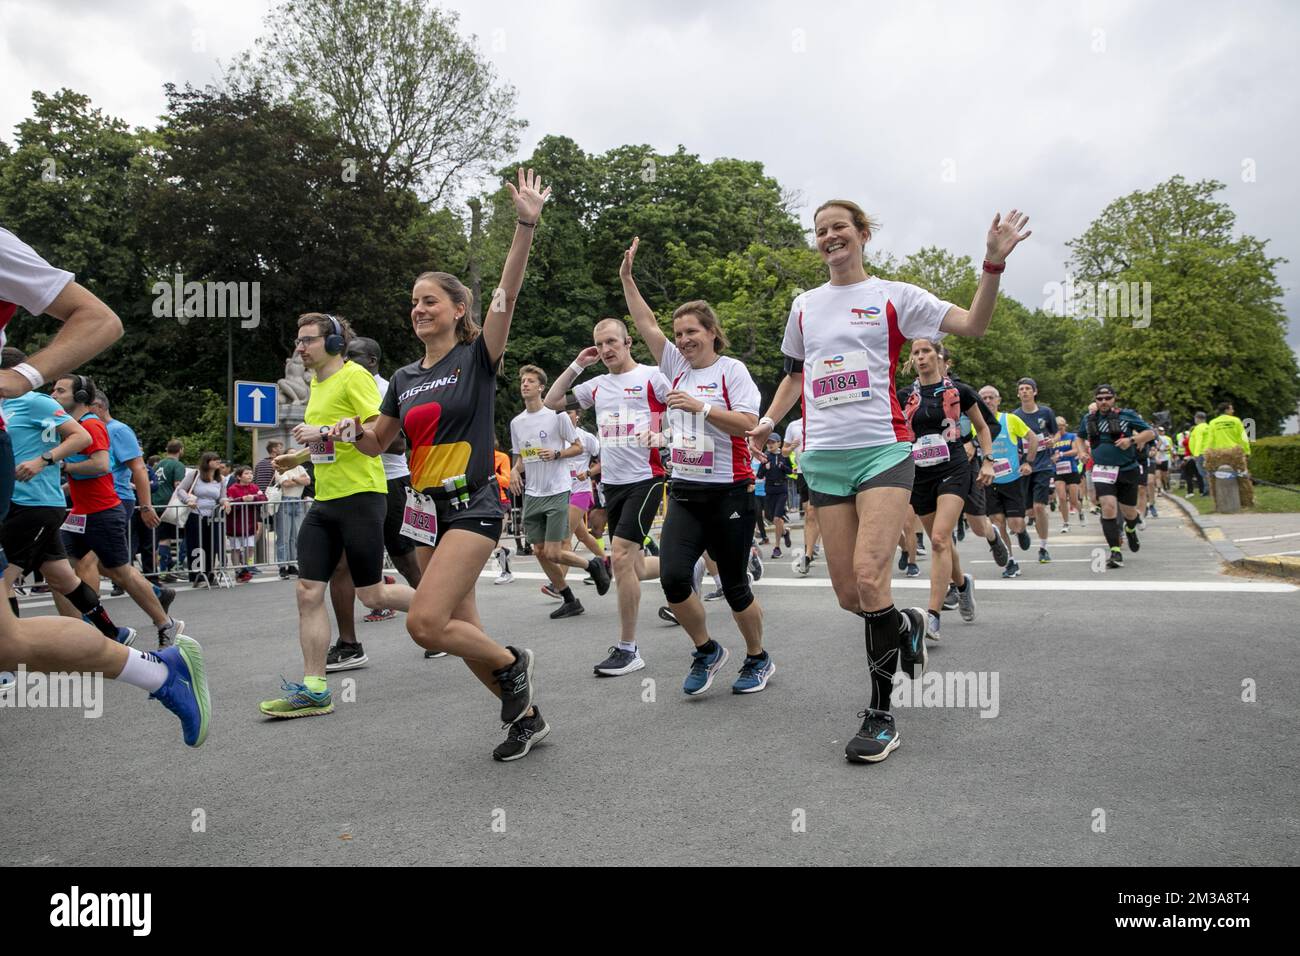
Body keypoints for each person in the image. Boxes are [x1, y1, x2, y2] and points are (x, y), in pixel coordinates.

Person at [746, 199, 1031, 763]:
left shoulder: (895, 296)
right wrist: (768, 421)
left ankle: (881, 713)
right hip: (824, 459)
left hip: (882, 451)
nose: (830, 237)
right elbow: (796, 377)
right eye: (821, 231)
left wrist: (992, 265)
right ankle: (907, 623)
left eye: (840, 229)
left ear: (862, 235)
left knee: (871, 579)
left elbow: (974, 324)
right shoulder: (803, 306)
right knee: (851, 595)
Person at [347, 168, 550, 760]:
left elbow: (506, 295)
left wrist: (525, 224)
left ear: (460, 309)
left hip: (475, 504)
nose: (418, 309)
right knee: (463, 634)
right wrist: (343, 434)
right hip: (424, 512)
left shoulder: (477, 356)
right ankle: (527, 718)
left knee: (425, 625)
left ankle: (516, 663)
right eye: (413, 303)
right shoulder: (404, 379)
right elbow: (377, 443)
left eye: (429, 300)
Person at [0, 224, 209, 748]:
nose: (62, 390)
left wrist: (23, 378)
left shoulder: (85, 421)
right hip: (64, 509)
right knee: (17, 632)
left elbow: (127, 463)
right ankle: (157, 667)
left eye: (66, 387)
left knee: (107, 570)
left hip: (87, 508)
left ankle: (158, 631)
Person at [621, 237, 773, 695]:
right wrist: (628, 278)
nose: (683, 339)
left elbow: (748, 424)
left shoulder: (732, 371)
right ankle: (707, 649)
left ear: (711, 332)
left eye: (692, 332)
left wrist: (701, 408)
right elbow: (645, 323)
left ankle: (757, 658)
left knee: (733, 586)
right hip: (685, 491)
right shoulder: (674, 366)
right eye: (679, 332)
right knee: (672, 578)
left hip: (730, 493)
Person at [258, 313, 416, 714]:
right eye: (298, 340)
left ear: (332, 344)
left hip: (362, 497)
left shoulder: (354, 377)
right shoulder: (317, 383)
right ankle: (315, 688)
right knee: (308, 590)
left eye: (307, 340)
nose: (299, 347)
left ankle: (447, 609)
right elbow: (325, 443)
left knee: (372, 594)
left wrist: (324, 432)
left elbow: (380, 433)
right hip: (325, 501)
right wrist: (295, 456)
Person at [544, 303, 672, 678]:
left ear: (628, 341)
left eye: (611, 342)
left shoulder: (653, 377)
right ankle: (688, 566)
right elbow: (552, 403)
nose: (606, 349)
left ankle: (628, 648)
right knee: (630, 564)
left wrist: (664, 435)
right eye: (599, 345)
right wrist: (577, 364)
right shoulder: (595, 385)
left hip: (645, 479)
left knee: (618, 557)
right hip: (612, 484)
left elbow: (686, 412)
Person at [1, 348, 135, 645]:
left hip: (33, 503)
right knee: (63, 578)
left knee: (3, 580)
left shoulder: (35, 401)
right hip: (21, 503)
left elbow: (82, 437)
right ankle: (114, 633)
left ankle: (6, 660)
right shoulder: (6, 405)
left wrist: (43, 460)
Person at [53, 375, 184, 648]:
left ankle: (166, 623)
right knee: (61, 571)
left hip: (103, 510)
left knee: (119, 570)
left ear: (81, 398)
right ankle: (83, 633)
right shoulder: (72, 428)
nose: (53, 394)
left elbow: (102, 466)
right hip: (80, 513)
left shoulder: (94, 426)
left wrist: (62, 467)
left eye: (60, 390)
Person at [899, 339, 993, 641]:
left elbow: (983, 426)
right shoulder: (904, 396)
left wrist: (987, 460)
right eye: (915, 353)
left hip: (953, 467)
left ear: (939, 356)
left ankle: (933, 616)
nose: (920, 357)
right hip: (919, 473)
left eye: (926, 351)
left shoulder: (960, 391)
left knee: (940, 538)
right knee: (939, 541)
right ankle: (963, 585)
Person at [510, 364, 610, 619]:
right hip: (533, 494)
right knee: (539, 551)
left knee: (555, 551)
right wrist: (513, 471)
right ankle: (569, 599)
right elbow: (520, 457)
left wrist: (557, 454)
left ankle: (594, 564)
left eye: (531, 381)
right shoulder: (517, 423)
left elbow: (577, 447)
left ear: (542, 387)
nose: (525, 384)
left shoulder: (557, 416)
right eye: (523, 380)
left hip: (558, 491)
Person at [90, 390, 166, 594]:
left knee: (92, 558)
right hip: (93, 500)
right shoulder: (91, 430)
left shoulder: (118, 430)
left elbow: (139, 469)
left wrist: (146, 507)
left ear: (99, 407)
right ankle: (155, 593)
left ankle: (91, 612)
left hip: (115, 499)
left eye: (88, 407)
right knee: (81, 558)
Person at [1077, 385, 1154, 568]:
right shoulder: (1088, 419)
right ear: (1095, 400)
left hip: (1127, 469)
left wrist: (1132, 440)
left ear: (1114, 399)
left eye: (1107, 398)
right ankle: (1115, 551)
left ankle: (1130, 528)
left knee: (1129, 511)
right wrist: (1081, 452)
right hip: (1102, 469)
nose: (1104, 402)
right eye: (1100, 398)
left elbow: (1150, 433)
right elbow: (1079, 437)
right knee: (1108, 507)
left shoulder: (1126, 416)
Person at [978, 385, 1038, 578]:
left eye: (991, 397)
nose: (987, 401)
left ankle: (1021, 531)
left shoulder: (1010, 419)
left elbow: (1033, 438)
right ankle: (1011, 561)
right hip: (989, 481)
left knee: (1016, 523)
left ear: (998, 400)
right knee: (997, 521)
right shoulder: (975, 423)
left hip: (1012, 480)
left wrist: (1028, 462)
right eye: (984, 398)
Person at [1010, 377, 1057, 563]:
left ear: (1035, 392)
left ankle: (1043, 547)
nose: (1025, 391)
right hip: (1023, 466)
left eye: (1028, 388)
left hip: (1043, 464)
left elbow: (1055, 432)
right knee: (1028, 512)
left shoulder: (1046, 412)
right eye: (1021, 389)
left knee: (1039, 507)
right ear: (1018, 393)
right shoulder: (1014, 416)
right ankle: (1022, 532)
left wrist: (1054, 440)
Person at [1193, 402, 1254, 508]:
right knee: (1242, 478)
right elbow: (1243, 437)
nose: (1233, 411)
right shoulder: (1236, 421)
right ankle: (1245, 502)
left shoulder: (1213, 423)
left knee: (1216, 479)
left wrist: (1207, 453)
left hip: (1218, 454)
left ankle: (1220, 503)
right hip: (1235, 453)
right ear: (1226, 410)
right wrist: (1247, 451)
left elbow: (1210, 440)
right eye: (1231, 409)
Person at [783, 417, 820, 574]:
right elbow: (784, 452)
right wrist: (791, 447)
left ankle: (808, 554)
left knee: (812, 512)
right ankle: (810, 547)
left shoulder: (819, 421)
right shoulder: (793, 425)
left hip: (819, 471)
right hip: (801, 473)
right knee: (809, 513)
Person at [224, 465, 265, 582]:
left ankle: (246, 567)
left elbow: (263, 497)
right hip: (235, 524)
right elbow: (229, 503)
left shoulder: (254, 487)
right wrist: (242, 500)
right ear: (239, 476)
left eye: (251, 473)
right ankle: (238, 570)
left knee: (250, 547)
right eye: (246, 473)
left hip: (250, 523)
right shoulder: (232, 488)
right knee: (235, 548)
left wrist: (253, 498)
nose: (250, 475)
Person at [757, 434, 793, 558]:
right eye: (768, 443)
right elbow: (760, 475)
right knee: (770, 517)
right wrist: (765, 468)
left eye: (773, 442)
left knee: (777, 519)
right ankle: (784, 532)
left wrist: (783, 467)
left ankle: (777, 548)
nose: (770, 444)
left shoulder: (784, 455)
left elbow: (791, 470)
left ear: (779, 443)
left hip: (781, 490)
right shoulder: (765, 456)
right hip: (769, 490)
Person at [1051, 416, 1084, 532]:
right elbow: (1048, 454)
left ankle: (1080, 511)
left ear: (1065, 426)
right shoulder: (1052, 439)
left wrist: (1061, 454)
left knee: (1074, 501)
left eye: (1062, 427)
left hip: (1071, 470)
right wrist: (1052, 458)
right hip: (1058, 471)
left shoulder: (1071, 436)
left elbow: (1076, 450)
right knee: (1062, 498)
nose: (1060, 430)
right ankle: (1066, 523)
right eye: (1057, 428)